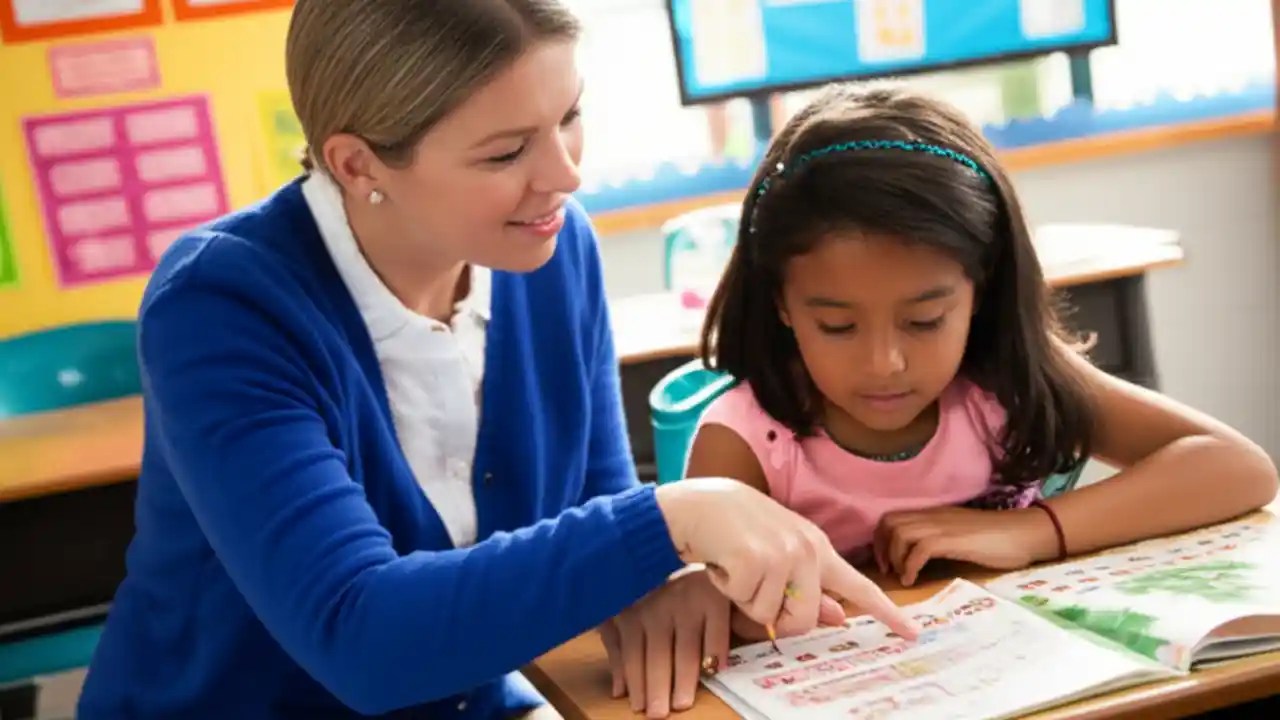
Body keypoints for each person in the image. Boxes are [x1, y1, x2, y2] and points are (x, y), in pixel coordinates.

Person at [75, 4, 918, 719]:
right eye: (506, 152)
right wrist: (671, 521)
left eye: (569, 117)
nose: (565, 175)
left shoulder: (551, 254)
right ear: (358, 163)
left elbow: (595, 506)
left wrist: (669, 581)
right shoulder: (221, 305)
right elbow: (361, 636)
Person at [686, 83, 1278, 590]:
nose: (885, 362)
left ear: (982, 286)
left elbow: (1239, 469)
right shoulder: (746, 441)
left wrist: (1030, 531)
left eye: (925, 321)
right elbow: (700, 598)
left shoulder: (1004, 384)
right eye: (837, 326)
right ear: (781, 304)